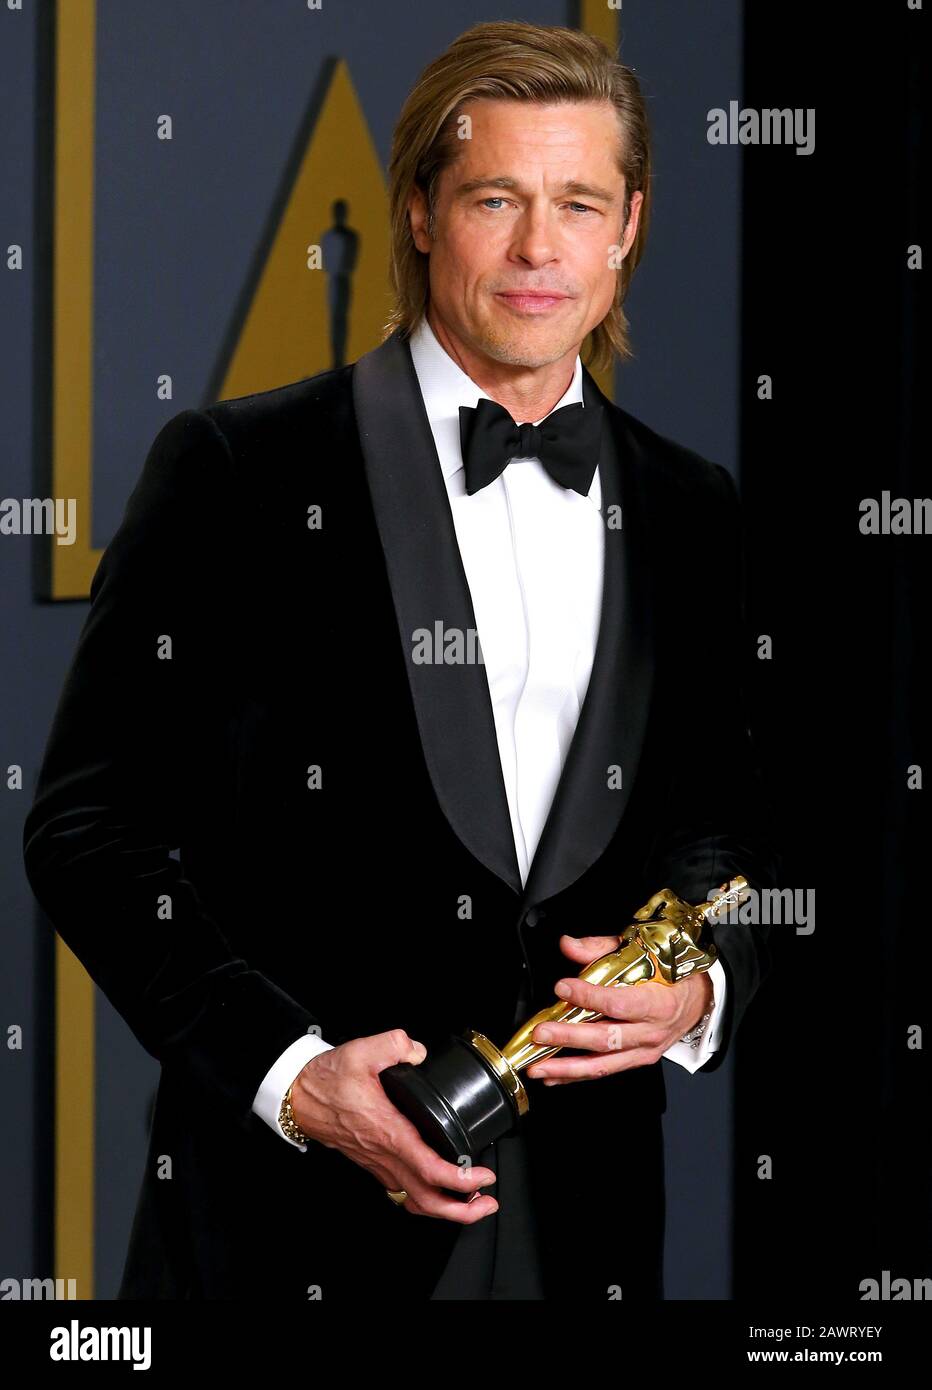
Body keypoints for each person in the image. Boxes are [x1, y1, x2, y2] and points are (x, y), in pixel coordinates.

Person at [23, 20, 779, 1301]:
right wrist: (288, 1074)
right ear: (421, 212)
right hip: (285, 1227)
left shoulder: (694, 506)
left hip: (589, 1226)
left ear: (628, 226)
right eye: (496, 199)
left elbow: (729, 827)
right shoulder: (234, 473)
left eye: (578, 203)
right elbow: (90, 827)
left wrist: (699, 989)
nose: (541, 249)